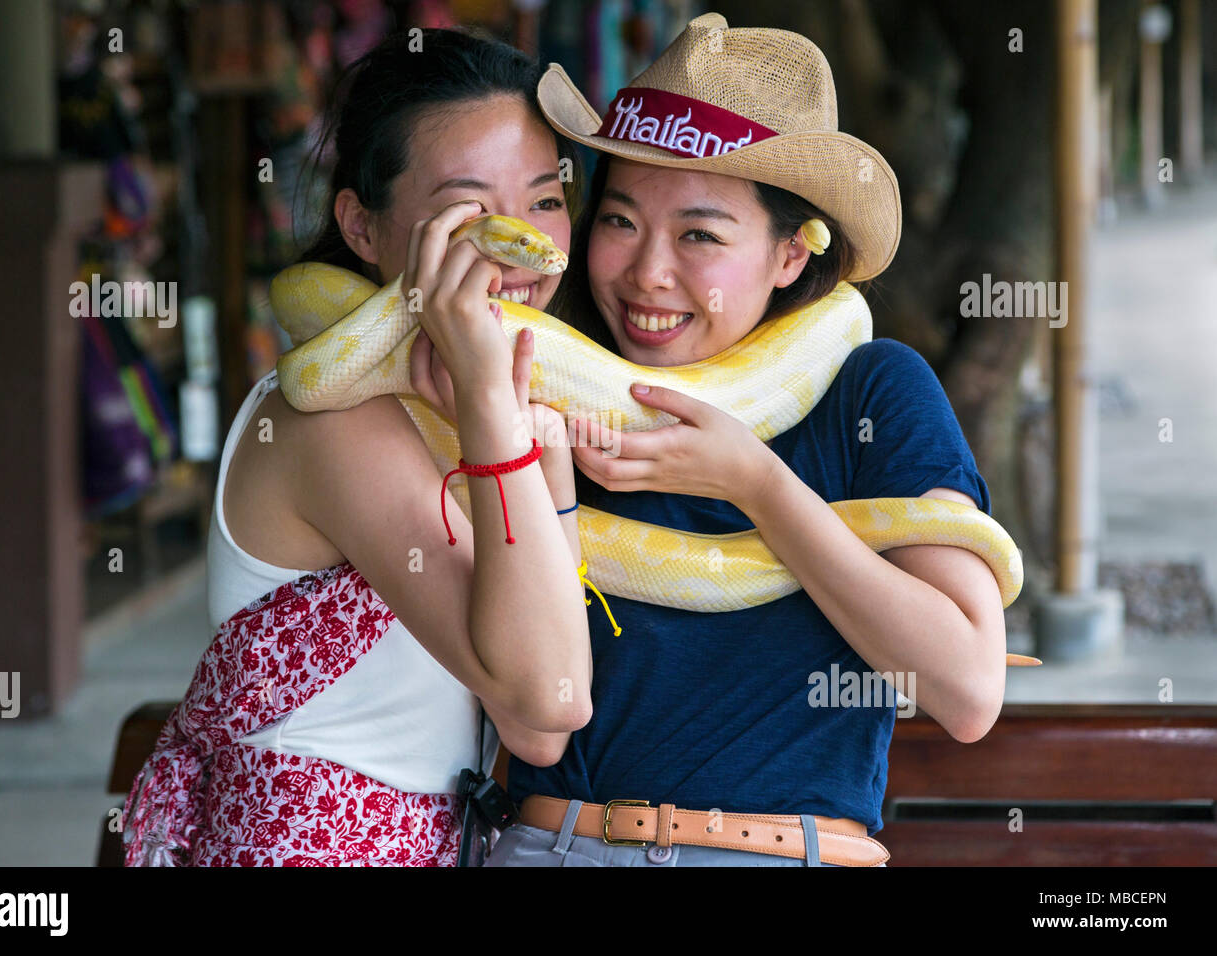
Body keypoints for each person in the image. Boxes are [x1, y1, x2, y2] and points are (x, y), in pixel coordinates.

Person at [479, 14, 1009, 867]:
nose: (648, 272)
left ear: (792, 256)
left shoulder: (869, 391)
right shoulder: (537, 378)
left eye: (700, 235)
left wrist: (757, 484)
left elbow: (967, 689)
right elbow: (527, 714)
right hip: (556, 843)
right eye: (619, 221)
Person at [122, 27, 593, 867]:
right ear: (363, 227)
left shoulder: (466, 402)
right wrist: (492, 406)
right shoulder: (332, 419)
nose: (521, 244)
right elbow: (543, 707)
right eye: (467, 208)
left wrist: (528, 436)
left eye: (546, 199)